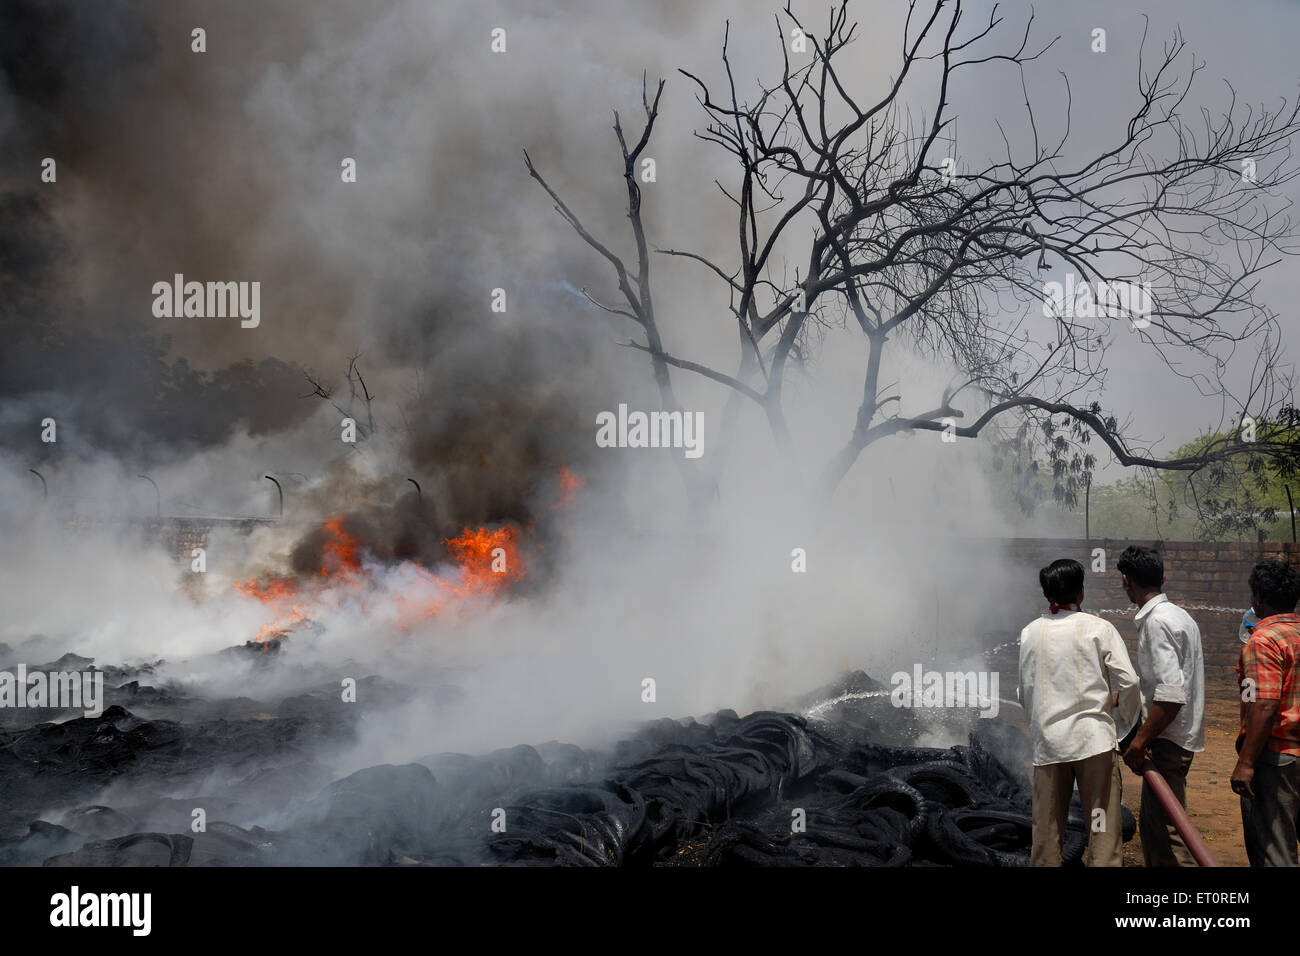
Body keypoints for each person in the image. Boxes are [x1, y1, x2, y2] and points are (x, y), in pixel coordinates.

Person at [1019, 558, 1141, 866]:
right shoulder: (1099, 628)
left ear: (1048, 596)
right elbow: (1129, 681)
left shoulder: (1031, 633)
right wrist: (1125, 724)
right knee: (1101, 828)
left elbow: (1024, 691)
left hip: (1050, 746)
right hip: (1094, 745)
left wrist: (1042, 721)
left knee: (1047, 834)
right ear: (1081, 593)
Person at [1115, 545, 1205, 867]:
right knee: (1158, 829)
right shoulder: (1180, 616)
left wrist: (1140, 742)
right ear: (1163, 577)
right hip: (1178, 737)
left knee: (1167, 837)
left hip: (1167, 741)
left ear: (1127, 581)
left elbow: (1170, 695)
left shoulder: (1157, 623)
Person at [1231, 560, 1300, 866]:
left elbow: (1265, 704)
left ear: (1258, 598)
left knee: (1275, 852)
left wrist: (1246, 762)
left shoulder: (1263, 641)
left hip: (1278, 759)